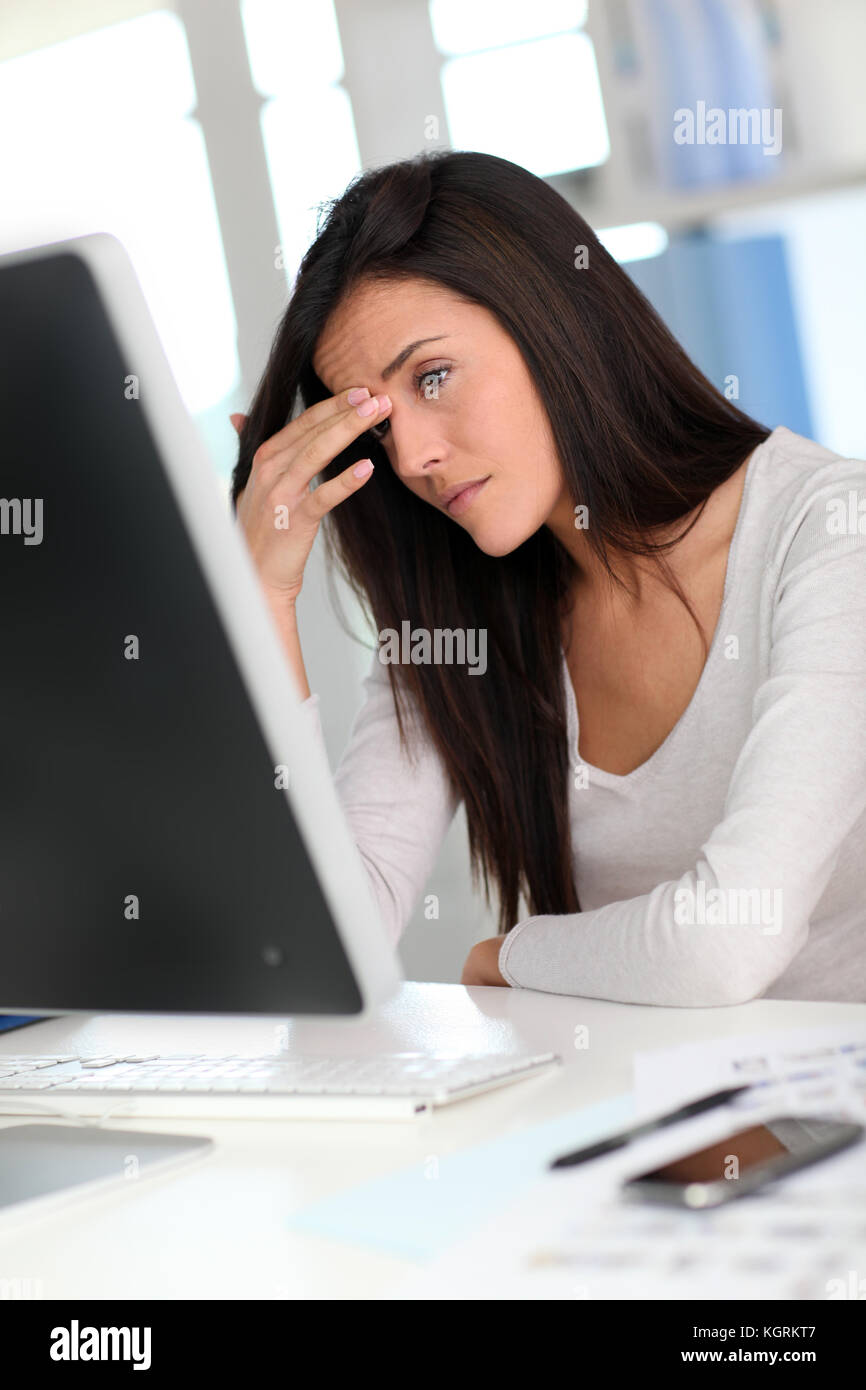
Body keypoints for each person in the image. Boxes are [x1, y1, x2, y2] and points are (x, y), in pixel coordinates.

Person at [229, 150, 866, 1006]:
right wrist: (263, 600)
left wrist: (511, 957)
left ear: (552, 318)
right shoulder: (455, 612)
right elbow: (322, 949)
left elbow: (727, 942)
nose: (414, 456)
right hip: (647, 1124)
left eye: (434, 377)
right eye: (377, 429)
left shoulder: (827, 532)